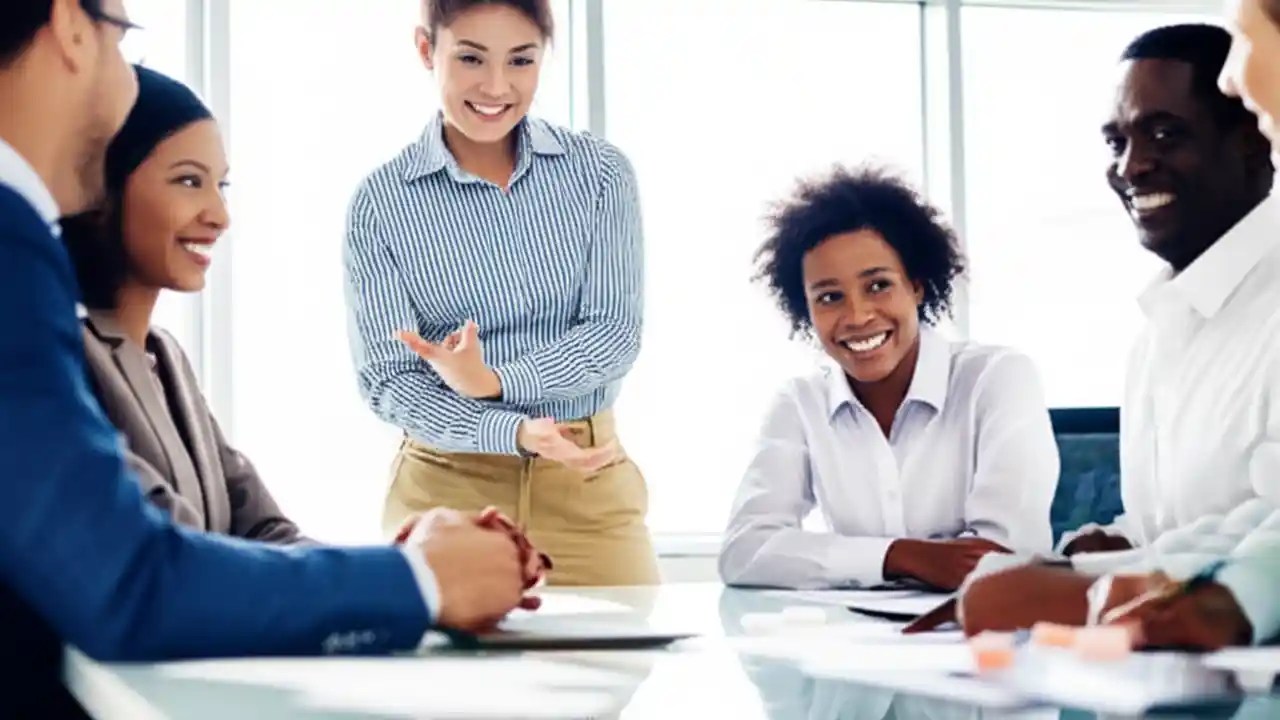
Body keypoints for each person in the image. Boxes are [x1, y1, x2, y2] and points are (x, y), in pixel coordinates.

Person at [0, 3, 532, 715]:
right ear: (70, 24)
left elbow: (252, 529)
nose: (217, 212)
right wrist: (417, 580)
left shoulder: (165, 358)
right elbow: (129, 574)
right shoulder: (16, 254)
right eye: (123, 37)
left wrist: (420, 567)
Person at [957, 23, 1280, 648]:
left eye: (1164, 133)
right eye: (1117, 140)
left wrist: (1092, 583)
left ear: (1251, 141)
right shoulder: (1158, 332)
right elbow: (1202, 519)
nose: (1131, 166)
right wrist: (1120, 545)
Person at [343, 0, 657, 585]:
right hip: (445, 489)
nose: (496, 86)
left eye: (521, 60)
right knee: (448, 678)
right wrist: (508, 429)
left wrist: (496, 382)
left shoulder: (601, 175)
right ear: (424, 49)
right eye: (470, 58)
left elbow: (613, 334)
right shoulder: (381, 203)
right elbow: (387, 381)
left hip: (587, 482)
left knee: (623, 669)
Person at [718, 166, 1058, 591]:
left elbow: (1004, 554)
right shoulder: (799, 404)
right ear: (805, 310)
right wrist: (901, 556)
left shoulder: (998, 378)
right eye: (829, 297)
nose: (858, 316)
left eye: (878, 285)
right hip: (857, 643)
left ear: (916, 285)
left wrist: (845, 560)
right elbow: (744, 551)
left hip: (982, 640)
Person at [59, 65, 307, 542]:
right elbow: (174, 553)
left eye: (221, 186)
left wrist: (405, 573)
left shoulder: (166, 355)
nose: (219, 215)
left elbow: (265, 529)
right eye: (190, 182)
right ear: (102, 186)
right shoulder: (64, 357)